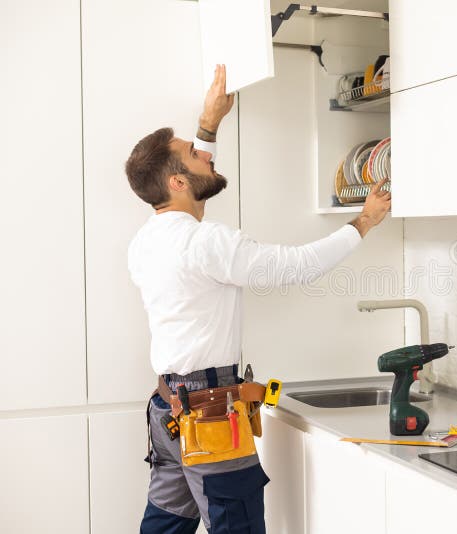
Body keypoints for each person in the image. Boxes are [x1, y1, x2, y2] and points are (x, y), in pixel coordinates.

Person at [126, 64, 391, 533]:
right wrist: (364, 222)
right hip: (209, 418)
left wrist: (209, 124)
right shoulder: (205, 244)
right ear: (177, 183)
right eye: (194, 153)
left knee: (163, 528)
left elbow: (198, 187)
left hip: (169, 410)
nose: (205, 156)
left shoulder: (147, 241)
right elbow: (296, 266)